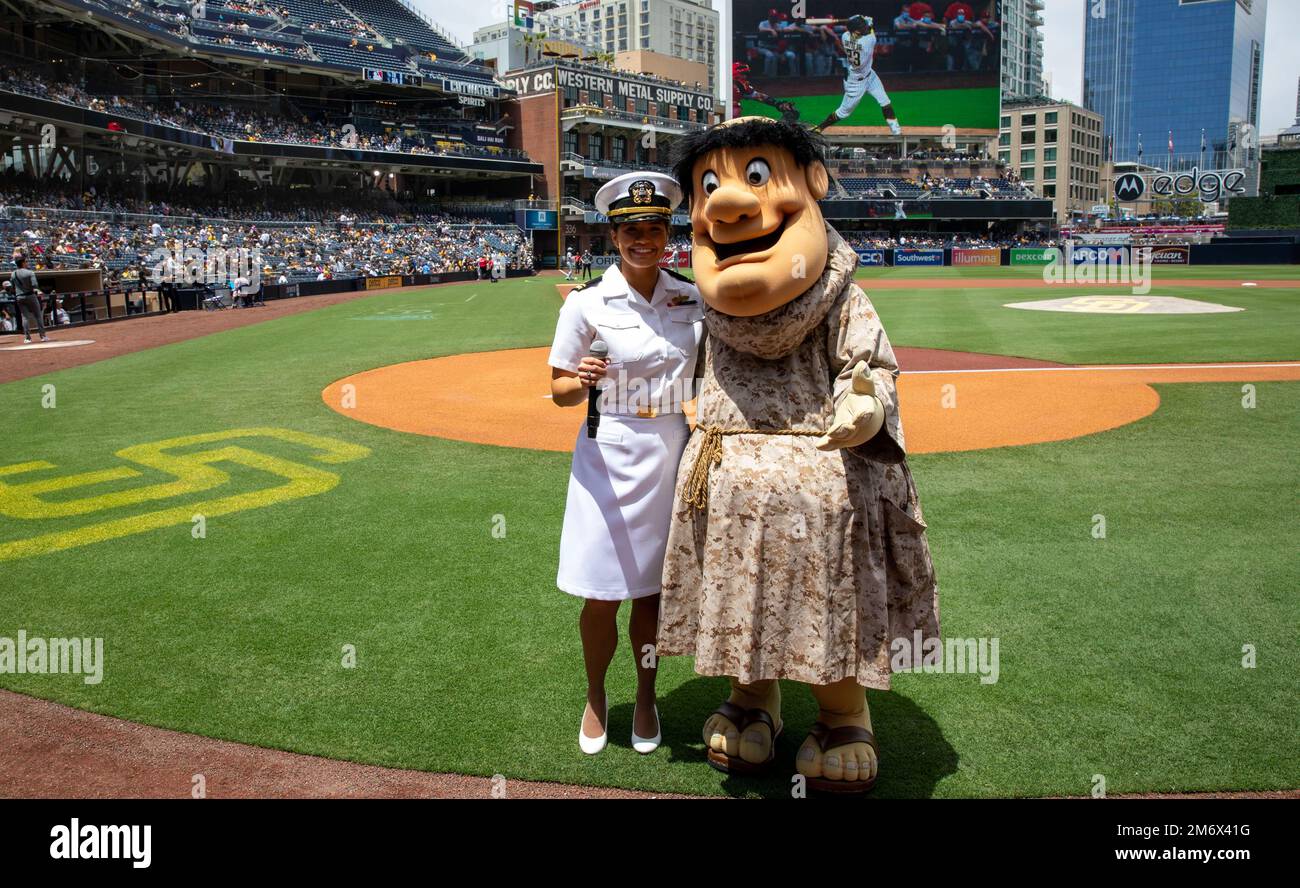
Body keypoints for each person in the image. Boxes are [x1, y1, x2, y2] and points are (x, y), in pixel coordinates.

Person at [547, 171, 703, 757]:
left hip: (670, 446)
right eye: (632, 229)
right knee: (601, 591)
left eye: (656, 227)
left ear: (669, 233)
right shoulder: (586, 302)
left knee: (652, 593)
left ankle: (644, 696)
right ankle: (594, 696)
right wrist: (579, 381)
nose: (645, 238)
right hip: (606, 450)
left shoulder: (691, 296)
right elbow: (559, 390)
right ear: (614, 237)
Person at [816, 16, 903, 136]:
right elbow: (870, 29)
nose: (865, 29)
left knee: (885, 102)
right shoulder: (868, 40)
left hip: (869, 75)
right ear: (856, 31)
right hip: (855, 82)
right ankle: (819, 128)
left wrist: (860, 19)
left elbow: (856, 27)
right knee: (843, 112)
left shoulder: (845, 36)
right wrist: (869, 22)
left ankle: (896, 131)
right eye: (862, 28)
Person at [9, 255, 48, 344]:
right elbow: (34, 285)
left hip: (19, 297)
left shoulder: (13, 273)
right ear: (22, 263)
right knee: (38, 315)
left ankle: (27, 338)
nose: (27, 263)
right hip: (30, 295)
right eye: (26, 262)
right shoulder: (30, 272)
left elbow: (12, 287)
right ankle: (43, 336)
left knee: (25, 317)